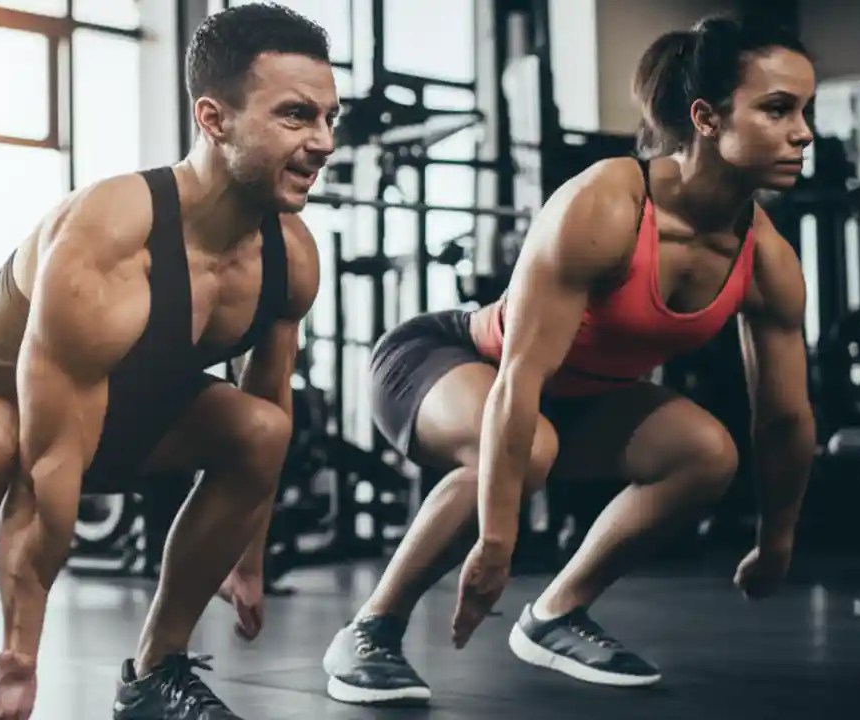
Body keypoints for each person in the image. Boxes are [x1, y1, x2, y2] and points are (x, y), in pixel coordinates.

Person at [0, 5, 337, 719]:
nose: (322, 141)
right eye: (296, 116)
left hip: (101, 402)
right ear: (214, 118)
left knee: (259, 430)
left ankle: (153, 673)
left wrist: (250, 555)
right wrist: (21, 654)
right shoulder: (110, 237)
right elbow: (47, 464)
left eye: (330, 117)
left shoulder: (290, 259)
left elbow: (271, 406)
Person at [322, 15, 817, 705]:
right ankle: (371, 628)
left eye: (805, 110)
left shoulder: (768, 260)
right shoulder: (608, 203)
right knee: (530, 450)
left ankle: (556, 612)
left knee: (707, 453)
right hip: (445, 361)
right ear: (705, 117)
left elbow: (785, 419)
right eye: (778, 109)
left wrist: (778, 538)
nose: (803, 133)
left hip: (575, 396)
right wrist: (497, 542)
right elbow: (519, 379)